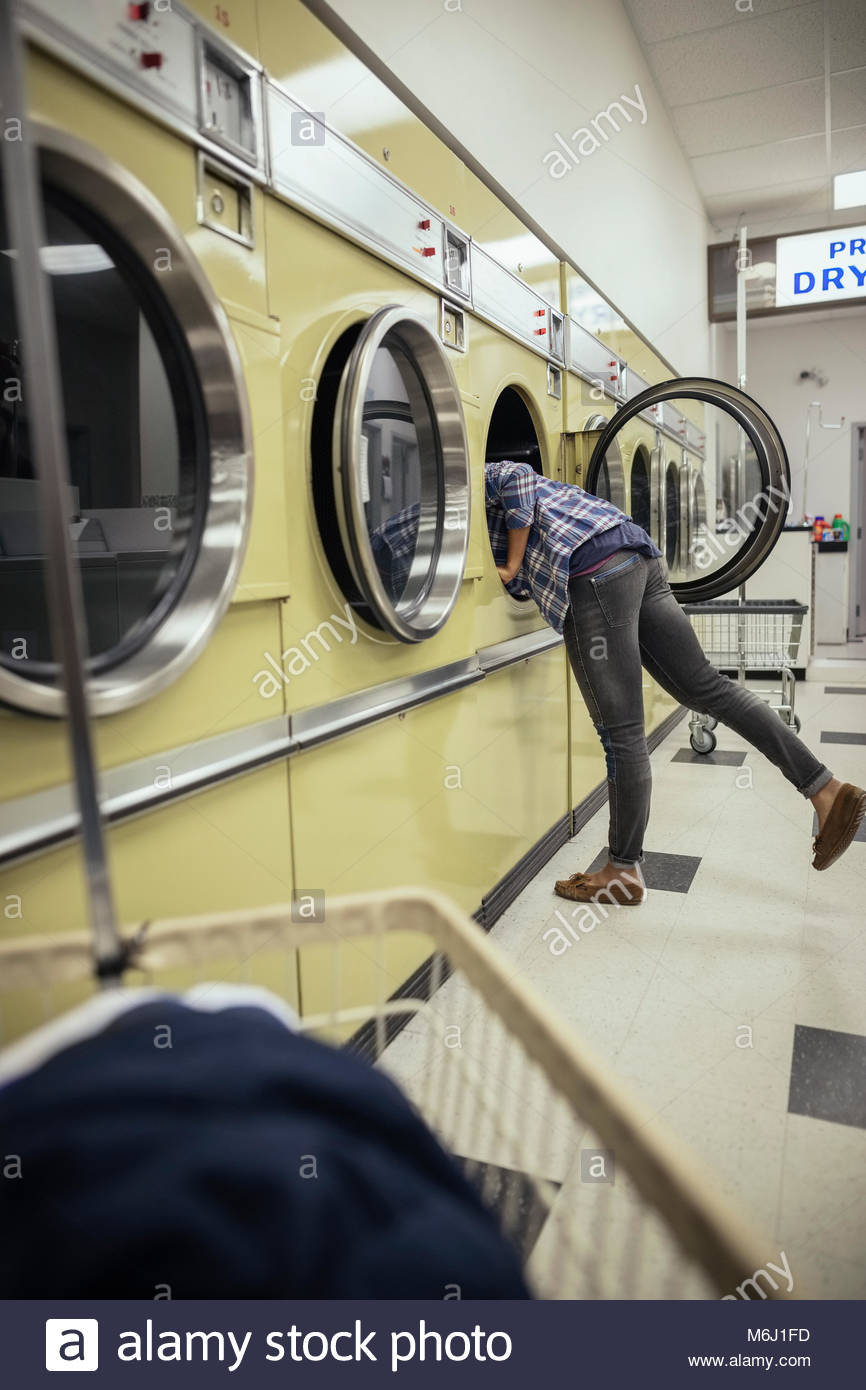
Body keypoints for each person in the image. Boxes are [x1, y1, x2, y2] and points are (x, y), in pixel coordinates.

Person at [484, 459, 866, 906]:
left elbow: (516, 478)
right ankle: (826, 790)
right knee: (709, 688)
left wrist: (511, 565)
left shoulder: (467, 484)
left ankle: (622, 871)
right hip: (636, 556)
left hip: (594, 571)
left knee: (621, 732)